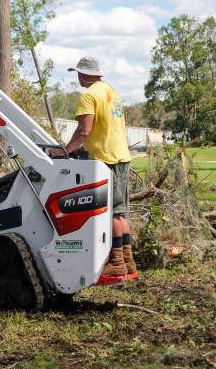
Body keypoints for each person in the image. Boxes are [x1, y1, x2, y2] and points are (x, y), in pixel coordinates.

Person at [48, 57, 138, 284]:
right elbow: (104, 128)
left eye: (78, 73)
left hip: (105, 160)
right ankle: (127, 261)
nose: (77, 77)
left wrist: (65, 151)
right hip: (121, 157)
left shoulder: (88, 95)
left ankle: (116, 263)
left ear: (85, 74)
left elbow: (84, 131)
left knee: (113, 214)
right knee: (121, 212)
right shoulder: (110, 91)